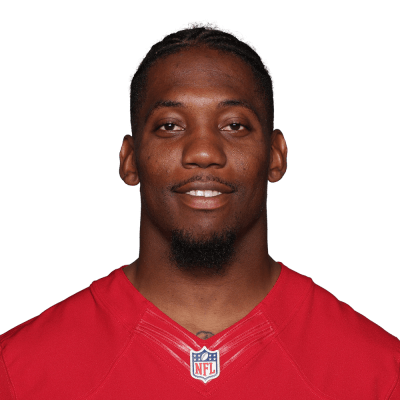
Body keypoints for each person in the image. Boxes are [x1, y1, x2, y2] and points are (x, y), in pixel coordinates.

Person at [1, 24, 399, 400]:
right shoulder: (18, 371)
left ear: (276, 155)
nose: (204, 152)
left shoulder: (381, 374)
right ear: (129, 159)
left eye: (235, 126)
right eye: (170, 126)